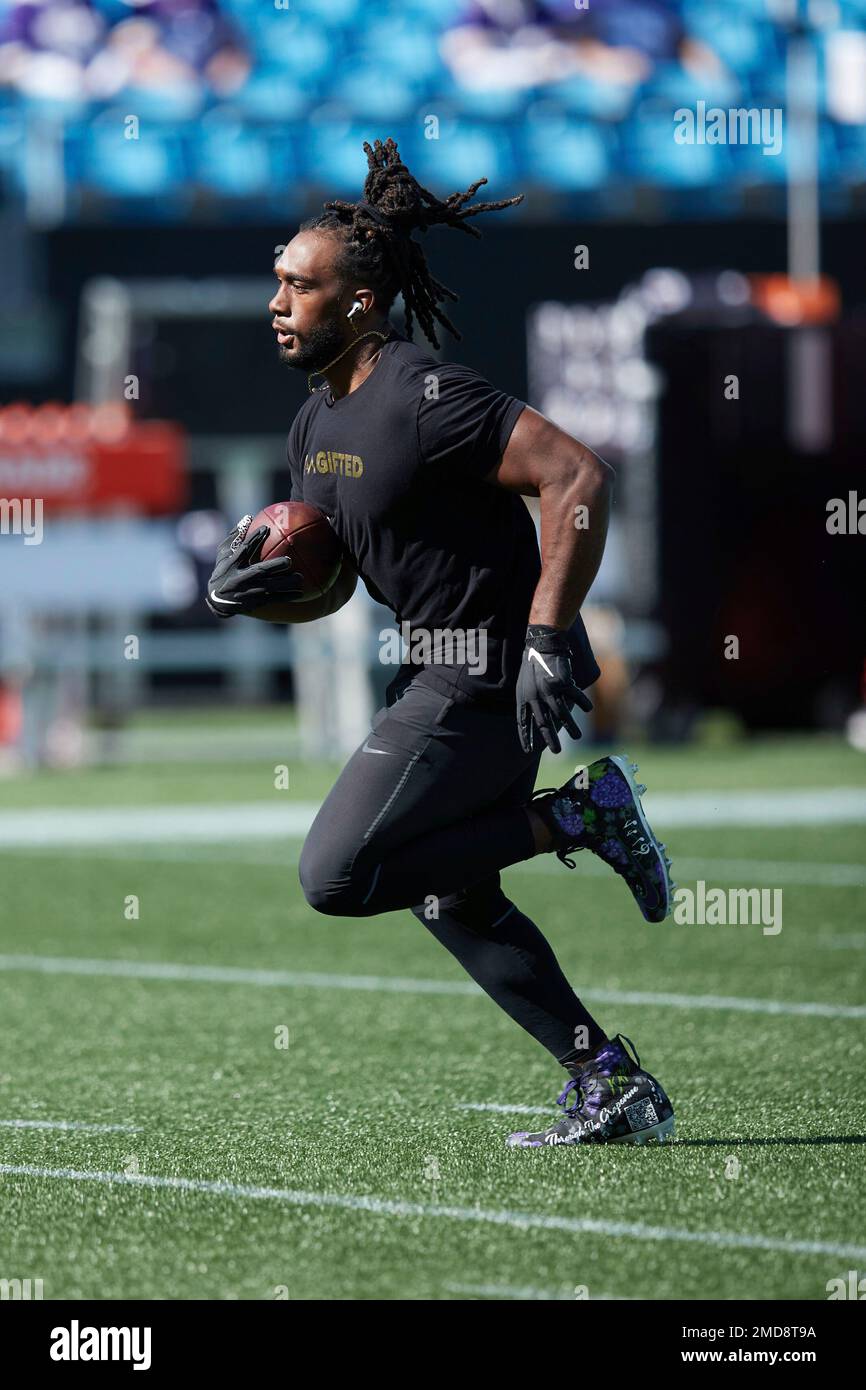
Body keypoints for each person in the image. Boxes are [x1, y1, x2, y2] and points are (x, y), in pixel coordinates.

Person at [206, 137, 675, 1148]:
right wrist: (256, 592)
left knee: (337, 875)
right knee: (447, 892)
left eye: (300, 286)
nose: (278, 303)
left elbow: (577, 478)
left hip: (495, 672)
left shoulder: (427, 396)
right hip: (429, 664)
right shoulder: (310, 423)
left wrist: (550, 633)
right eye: (277, 284)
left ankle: (581, 818)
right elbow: (326, 581)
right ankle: (610, 1084)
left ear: (361, 302)